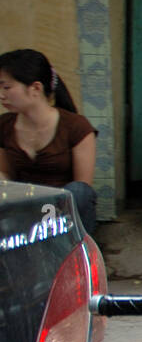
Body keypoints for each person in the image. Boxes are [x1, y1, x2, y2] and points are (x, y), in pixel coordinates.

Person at [0, 49, 98, 234]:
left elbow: (82, 190)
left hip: (64, 213)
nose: (1, 95)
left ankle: (76, 253)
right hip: (22, 209)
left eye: (7, 88)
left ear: (35, 88)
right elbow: (6, 178)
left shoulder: (76, 127)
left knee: (79, 191)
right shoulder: (4, 126)